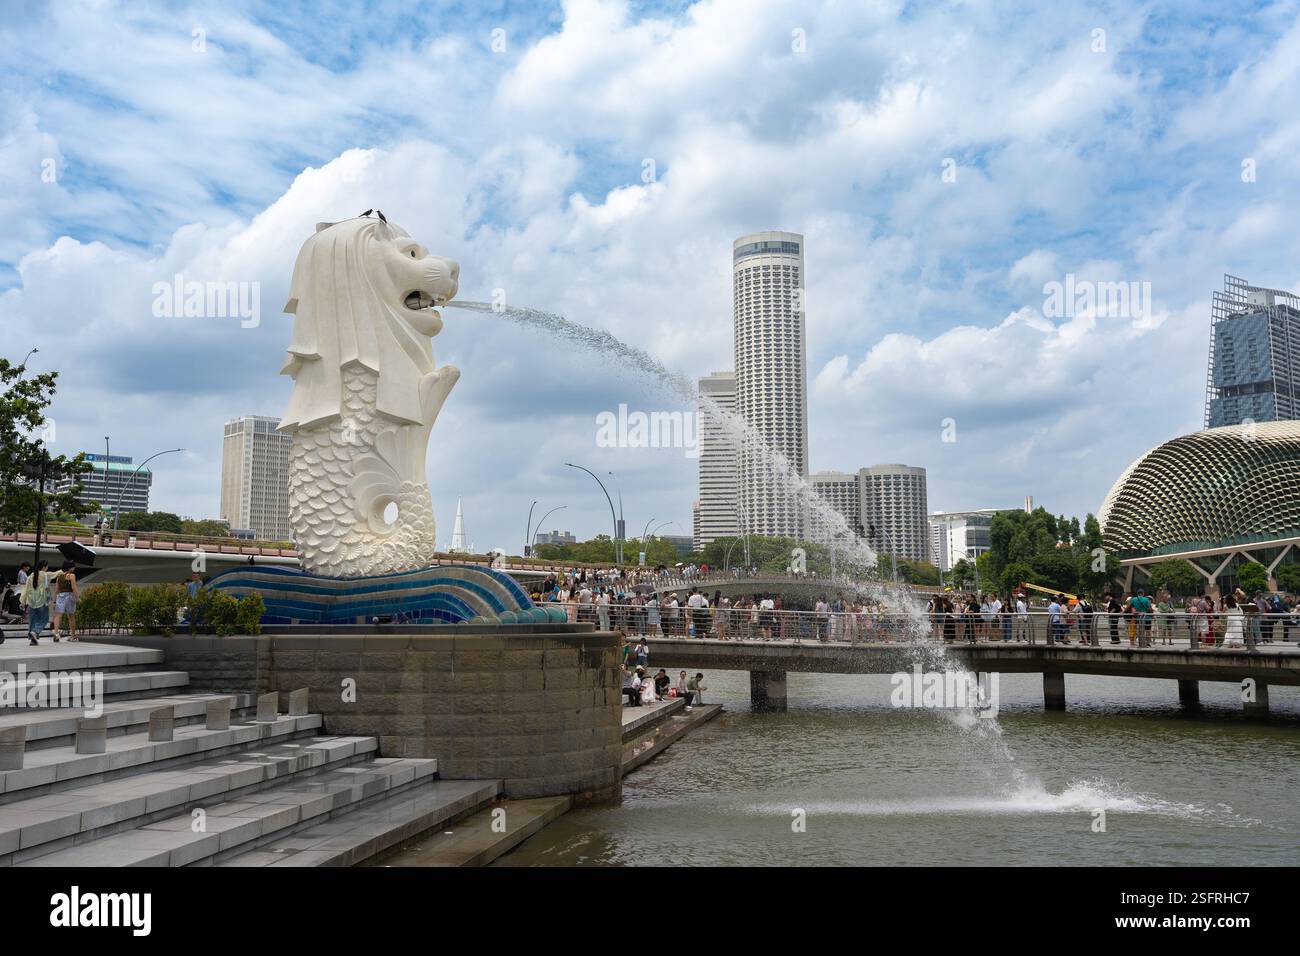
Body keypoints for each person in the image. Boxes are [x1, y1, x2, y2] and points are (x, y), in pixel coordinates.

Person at [20, 560, 51, 646]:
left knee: (32, 620)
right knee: (44, 619)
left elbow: (25, 590)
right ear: (44, 567)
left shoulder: (30, 576)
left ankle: (32, 640)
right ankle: (35, 631)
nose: (47, 568)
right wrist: (49, 599)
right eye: (47, 566)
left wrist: (23, 602)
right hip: (42, 601)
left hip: (31, 601)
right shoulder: (45, 575)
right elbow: (47, 589)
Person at [50, 560, 79, 642]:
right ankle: (73, 636)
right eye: (73, 566)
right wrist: (77, 597)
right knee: (71, 616)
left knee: (57, 616)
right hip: (69, 596)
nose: (74, 568)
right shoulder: (72, 575)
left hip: (60, 596)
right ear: (70, 567)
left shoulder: (59, 576)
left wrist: (54, 602)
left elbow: (56, 590)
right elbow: (73, 588)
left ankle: (56, 634)